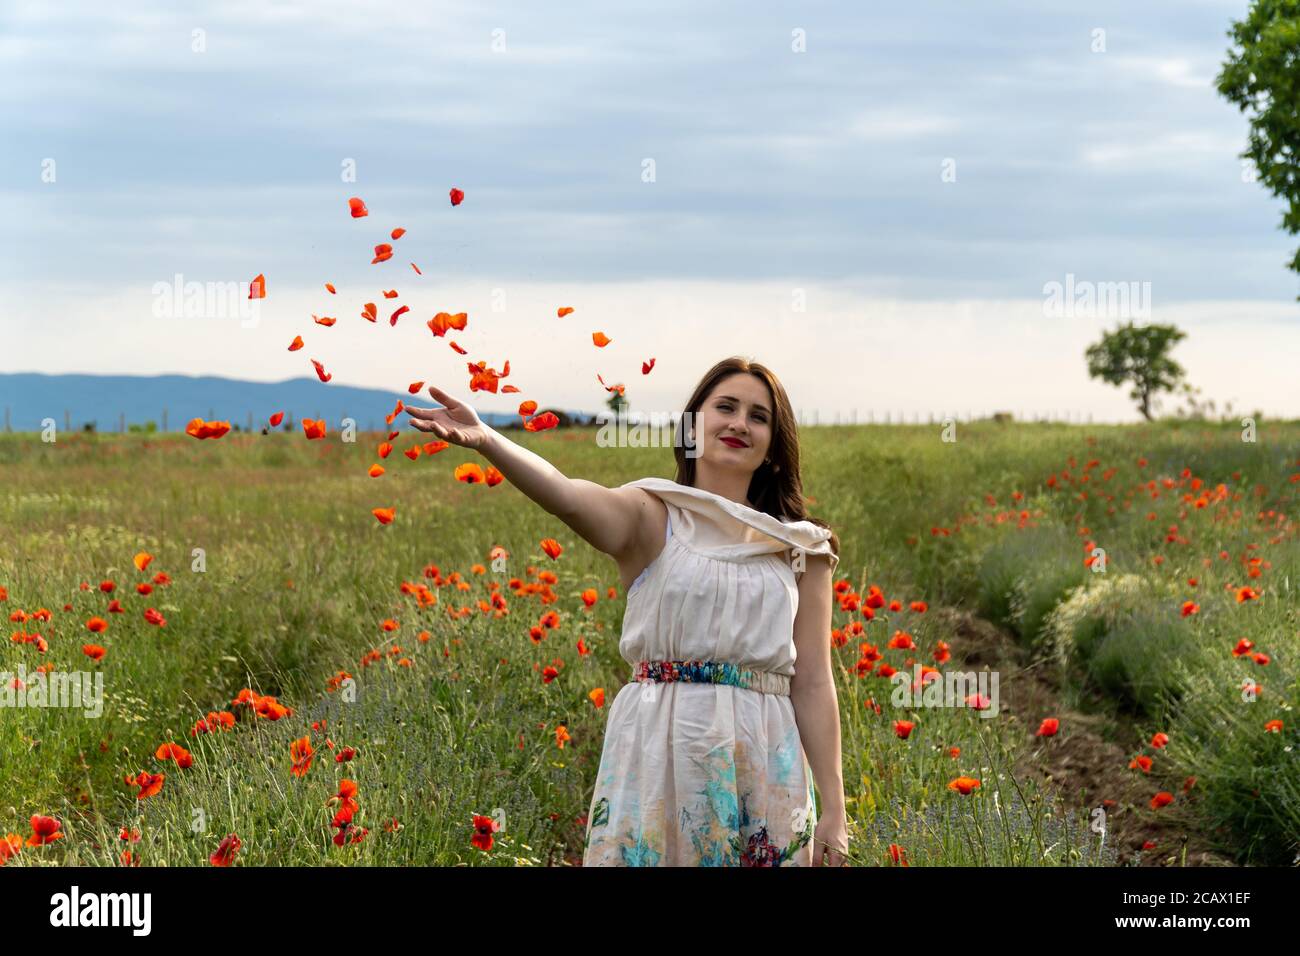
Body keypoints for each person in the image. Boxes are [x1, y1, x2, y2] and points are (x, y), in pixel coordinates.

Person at [404, 356, 848, 866]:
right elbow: (566, 495)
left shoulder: (800, 548)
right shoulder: (651, 515)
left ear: (773, 446)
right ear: (691, 427)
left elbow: (814, 681)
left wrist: (833, 812)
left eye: (758, 416)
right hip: (663, 753)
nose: (739, 423)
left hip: (766, 758)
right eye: (725, 407)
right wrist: (489, 441)